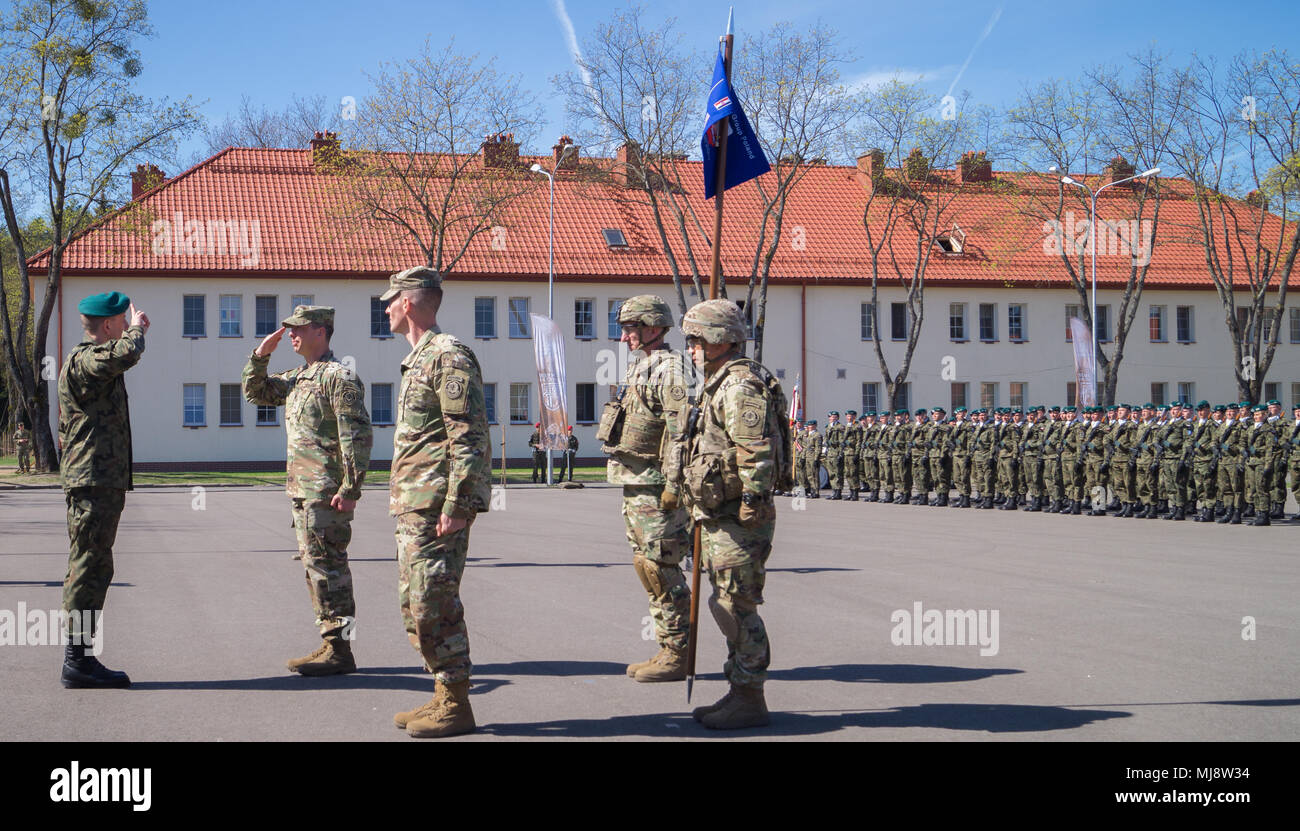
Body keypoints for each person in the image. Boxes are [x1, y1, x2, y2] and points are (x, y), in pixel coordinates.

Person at [380, 266, 491, 739]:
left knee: (434, 601)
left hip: (437, 507)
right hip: (414, 505)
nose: (384, 308)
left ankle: (456, 703)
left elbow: (467, 436)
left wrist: (459, 503)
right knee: (414, 603)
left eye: (390, 300)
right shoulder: (418, 359)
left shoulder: (448, 357)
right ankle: (443, 694)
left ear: (408, 303)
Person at [669, 299, 784, 730]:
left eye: (697, 340)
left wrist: (753, 502)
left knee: (737, 607)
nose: (692, 349)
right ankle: (740, 689)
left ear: (720, 341)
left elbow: (754, 450)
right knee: (727, 603)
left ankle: (750, 697)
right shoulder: (720, 381)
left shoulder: (737, 386)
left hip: (739, 517)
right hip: (721, 513)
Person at [243, 305, 372, 676]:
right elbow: (257, 392)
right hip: (303, 490)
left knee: (331, 569)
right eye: (289, 329)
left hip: (327, 490)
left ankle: (340, 649)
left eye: (298, 328)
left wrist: (351, 486)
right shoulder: (300, 377)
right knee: (317, 569)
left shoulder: (338, 377)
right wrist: (260, 356)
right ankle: (331, 642)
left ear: (321, 330)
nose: (291, 335)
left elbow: (357, 435)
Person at [57, 292, 148, 688]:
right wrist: (139, 329)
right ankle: (77, 661)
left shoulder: (88, 362)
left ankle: (81, 657)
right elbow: (125, 353)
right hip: (92, 480)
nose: (126, 328)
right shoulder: (86, 359)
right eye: (121, 322)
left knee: (94, 565)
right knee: (89, 567)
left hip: (97, 480)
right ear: (109, 326)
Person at [603, 295, 694, 682]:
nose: (624, 339)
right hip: (638, 484)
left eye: (630, 330)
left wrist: (675, 486)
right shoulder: (644, 367)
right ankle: (667, 646)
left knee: (661, 567)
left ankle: (679, 651)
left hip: (658, 489)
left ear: (653, 328)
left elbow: (681, 435)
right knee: (648, 566)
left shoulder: (671, 369)